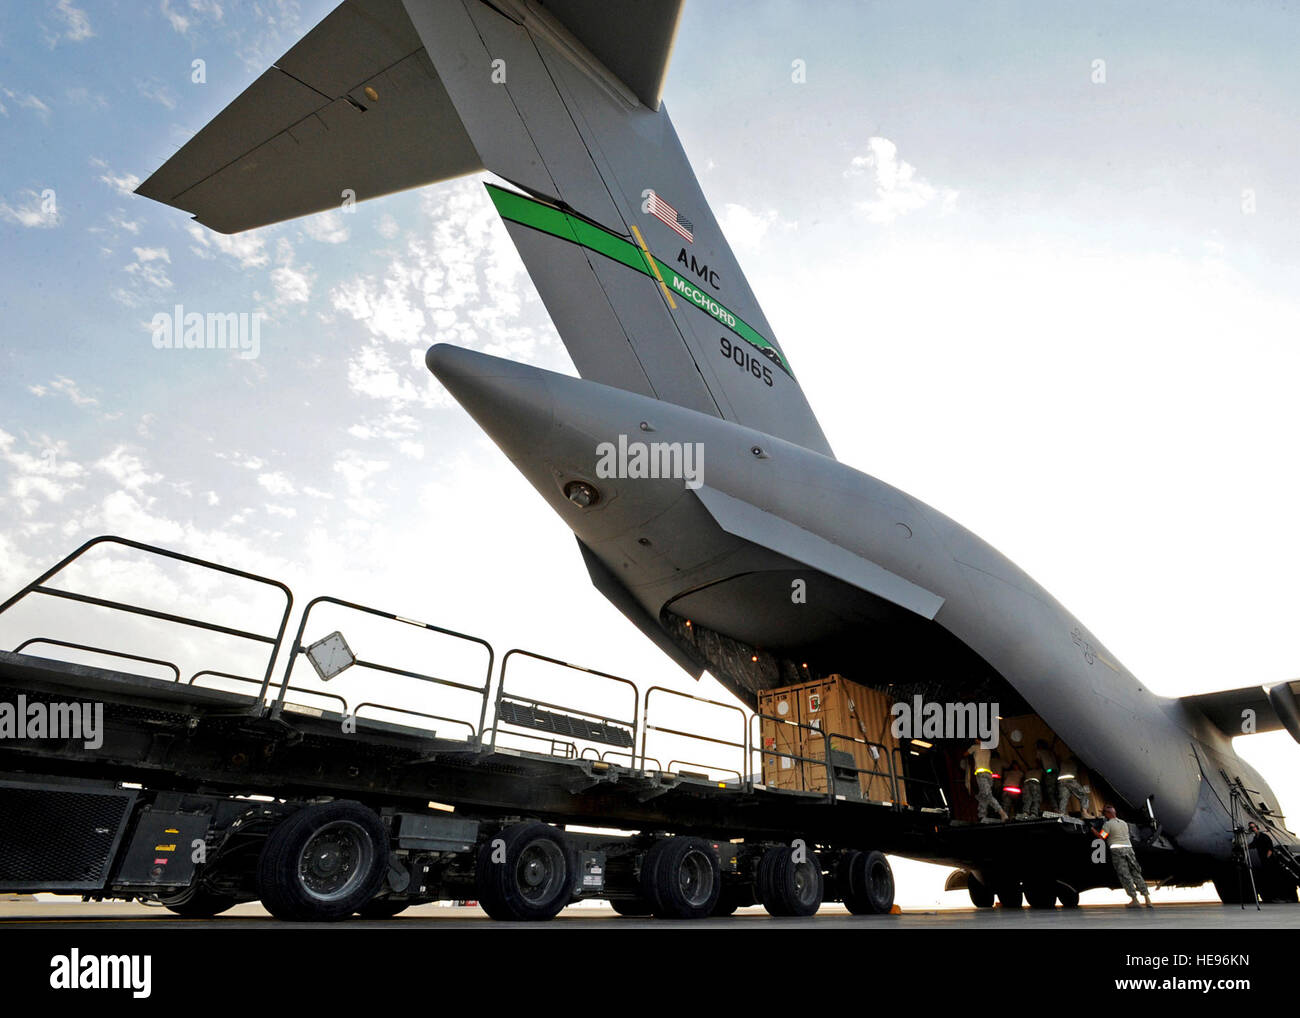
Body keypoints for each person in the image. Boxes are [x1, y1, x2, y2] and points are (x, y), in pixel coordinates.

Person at [1100, 805, 1152, 908]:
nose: (1104, 814)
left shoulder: (1108, 824)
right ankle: (1147, 899)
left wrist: (1092, 829)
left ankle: (1134, 899)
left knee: (1125, 875)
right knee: (1136, 873)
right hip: (1129, 850)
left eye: (1105, 813)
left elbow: (1102, 836)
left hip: (1118, 851)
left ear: (1109, 814)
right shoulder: (1124, 823)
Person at [963, 742, 1008, 822]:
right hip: (989, 775)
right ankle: (982, 815)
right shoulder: (988, 749)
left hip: (981, 774)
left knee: (987, 795)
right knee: (983, 795)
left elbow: (965, 754)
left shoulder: (975, 746)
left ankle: (1002, 812)